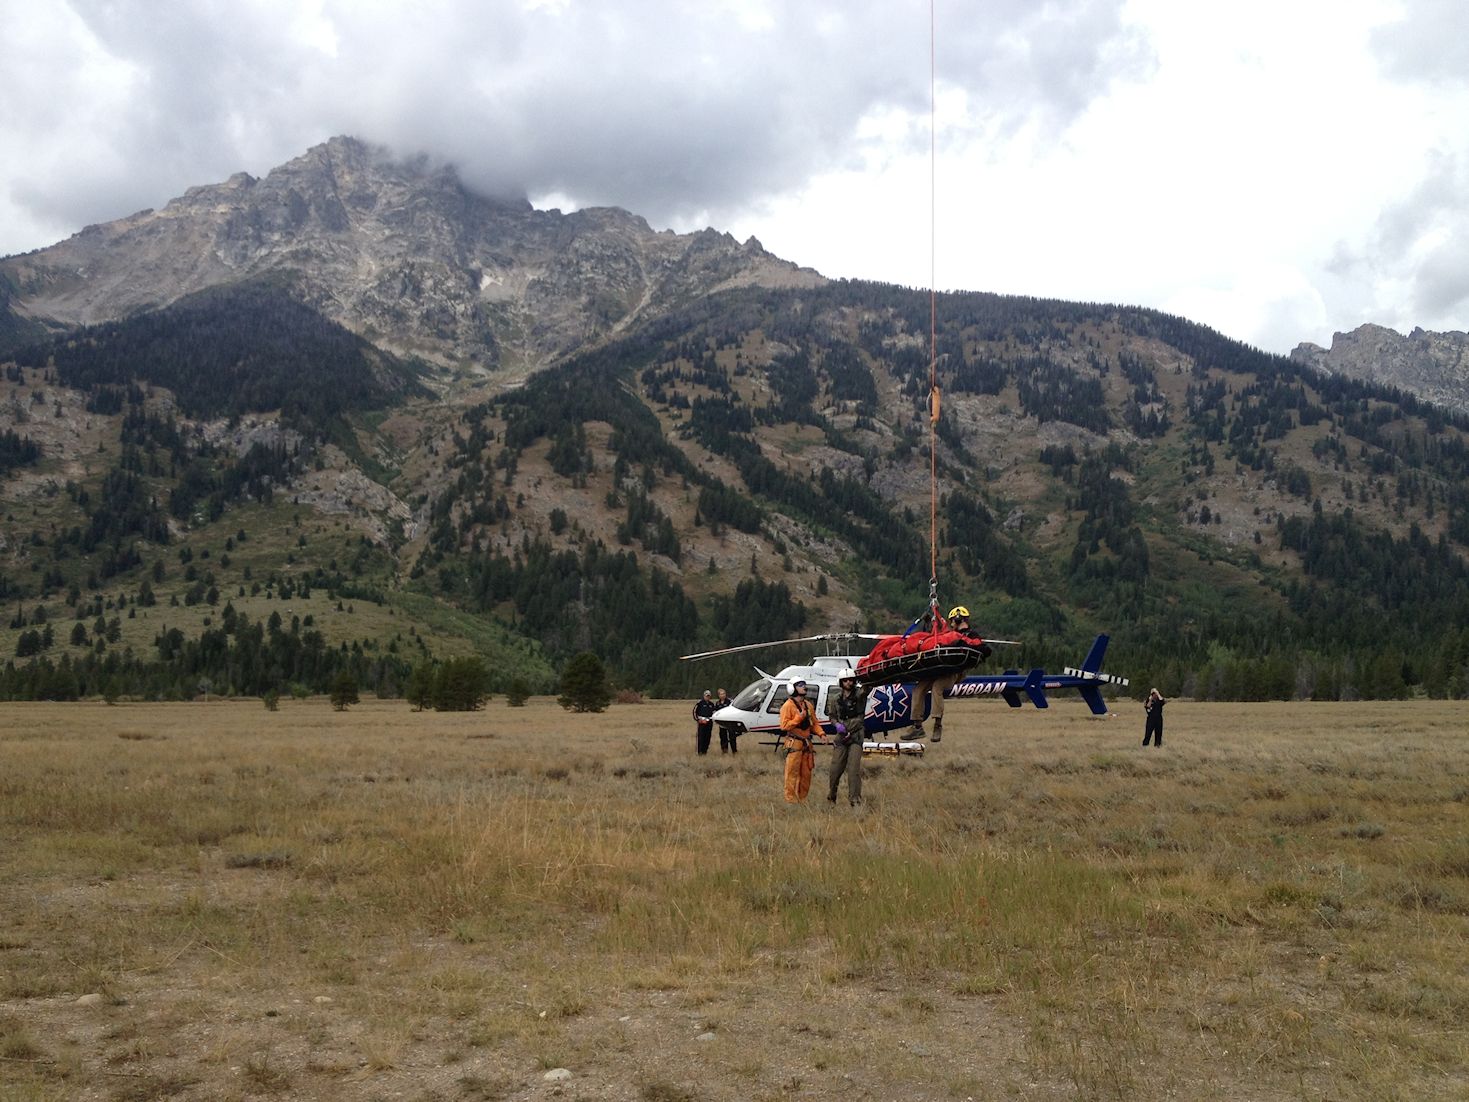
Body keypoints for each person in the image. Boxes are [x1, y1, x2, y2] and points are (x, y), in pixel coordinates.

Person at [909, 606, 990, 743]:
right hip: (939, 668)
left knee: (937, 688)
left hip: (955, 671)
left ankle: (937, 725)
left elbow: (983, 648)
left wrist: (963, 645)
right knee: (919, 688)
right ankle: (917, 726)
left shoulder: (971, 635)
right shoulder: (950, 635)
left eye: (952, 621)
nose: (951, 624)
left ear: (958, 619)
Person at [778, 679, 826, 803]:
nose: (804, 687)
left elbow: (814, 723)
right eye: (800, 685)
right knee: (792, 773)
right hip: (794, 744)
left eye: (804, 685)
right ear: (793, 688)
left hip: (806, 744)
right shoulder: (787, 706)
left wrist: (821, 733)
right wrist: (798, 718)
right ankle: (791, 801)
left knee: (806, 775)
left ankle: (802, 799)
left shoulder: (808, 705)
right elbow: (784, 726)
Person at [827, 673, 869, 806]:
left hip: (856, 735)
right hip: (841, 735)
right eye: (845, 680)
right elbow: (832, 716)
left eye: (851, 680)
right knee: (835, 769)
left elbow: (866, 689)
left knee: (853, 770)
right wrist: (836, 725)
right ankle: (831, 796)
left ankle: (855, 800)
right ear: (841, 682)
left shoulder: (859, 695)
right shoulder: (835, 699)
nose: (848, 682)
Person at [693, 690, 716, 754]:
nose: (707, 697)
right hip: (702, 722)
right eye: (706, 696)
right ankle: (700, 751)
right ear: (704, 696)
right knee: (701, 737)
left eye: (709, 696)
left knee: (707, 737)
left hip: (709, 722)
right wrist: (698, 720)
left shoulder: (712, 704)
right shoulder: (700, 703)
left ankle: (705, 751)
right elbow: (695, 712)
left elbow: (714, 713)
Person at [715, 688, 736, 753]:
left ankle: (734, 751)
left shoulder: (730, 702)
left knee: (732, 737)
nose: (722, 695)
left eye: (724, 693)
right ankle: (724, 750)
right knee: (723, 737)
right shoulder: (717, 703)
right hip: (722, 724)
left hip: (730, 723)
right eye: (721, 694)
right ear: (719, 695)